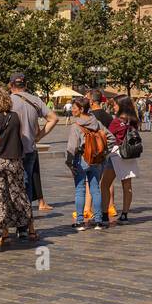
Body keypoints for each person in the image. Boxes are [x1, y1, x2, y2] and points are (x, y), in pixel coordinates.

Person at [0, 86, 35, 244]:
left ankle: (4, 233)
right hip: (15, 159)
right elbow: (19, 137)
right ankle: (30, 229)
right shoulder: (15, 116)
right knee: (19, 194)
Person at [10, 72, 57, 218]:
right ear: (26, 85)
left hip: (10, 149)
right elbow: (53, 118)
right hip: (29, 148)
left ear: (11, 85)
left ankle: (14, 216)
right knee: (27, 183)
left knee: (11, 184)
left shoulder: (7, 100)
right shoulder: (36, 100)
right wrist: (39, 136)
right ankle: (27, 218)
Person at [66, 96, 114, 231]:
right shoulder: (96, 122)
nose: (72, 110)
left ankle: (80, 221)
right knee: (95, 189)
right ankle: (98, 221)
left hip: (81, 160)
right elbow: (111, 138)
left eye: (74, 108)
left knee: (80, 190)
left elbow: (71, 147)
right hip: (96, 160)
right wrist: (104, 153)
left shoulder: (76, 126)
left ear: (81, 109)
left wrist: (70, 164)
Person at [105, 96, 141, 223]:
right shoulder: (133, 120)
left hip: (116, 154)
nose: (113, 107)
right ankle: (125, 213)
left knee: (105, 184)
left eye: (115, 105)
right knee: (127, 185)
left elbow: (108, 136)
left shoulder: (116, 121)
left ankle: (104, 213)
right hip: (130, 154)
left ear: (121, 106)